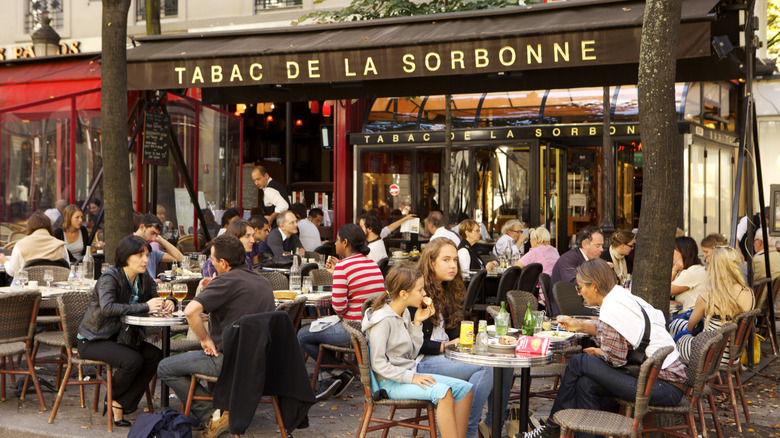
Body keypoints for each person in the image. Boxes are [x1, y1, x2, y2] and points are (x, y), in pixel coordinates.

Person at [525, 258, 687, 438]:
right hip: (661, 380)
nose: (579, 293)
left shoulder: (611, 308)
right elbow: (632, 333)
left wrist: (601, 353)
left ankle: (551, 428)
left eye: (580, 287)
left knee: (579, 362)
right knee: (585, 384)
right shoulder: (622, 295)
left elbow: (616, 360)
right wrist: (582, 327)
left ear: (594, 286)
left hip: (663, 387)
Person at [157, 233, 275, 436]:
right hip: (263, 362)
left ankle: (213, 415)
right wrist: (209, 290)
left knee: (165, 367)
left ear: (223, 263)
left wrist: (205, 339)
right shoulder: (262, 281)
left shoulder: (226, 281)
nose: (211, 262)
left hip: (229, 362)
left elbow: (190, 311)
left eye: (212, 259)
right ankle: (222, 412)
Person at [363, 263, 473, 438]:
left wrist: (417, 323)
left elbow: (411, 353)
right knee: (443, 393)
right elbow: (378, 363)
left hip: (407, 372)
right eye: (420, 290)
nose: (424, 294)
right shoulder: (383, 320)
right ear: (403, 294)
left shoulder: (404, 312)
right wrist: (412, 377)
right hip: (389, 382)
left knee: (465, 389)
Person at [414, 238, 509, 438]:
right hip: (420, 362)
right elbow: (415, 344)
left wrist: (469, 340)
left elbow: (453, 332)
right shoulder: (418, 291)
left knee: (504, 360)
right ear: (431, 262)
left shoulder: (445, 289)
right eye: (446, 260)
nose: (453, 265)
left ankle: (492, 425)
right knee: (487, 366)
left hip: (446, 355)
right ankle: (468, 431)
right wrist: (446, 346)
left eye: (455, 260)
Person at [77, 235, 174, 427]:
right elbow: (108, 308)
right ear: (125, 256)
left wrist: (169, 302)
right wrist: (146, 307)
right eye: (139, 255)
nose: (145, 260)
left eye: (147, 255)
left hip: (122, 338)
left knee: (155, 355)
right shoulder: (110, 277)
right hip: (94, 339)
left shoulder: (144, 278)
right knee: (133, 360)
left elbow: (157, 299)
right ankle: (114, 403)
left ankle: (119, 401)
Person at [298, 224, 385, 400]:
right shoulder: (372, 264)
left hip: (352, 331)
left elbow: (339, 308)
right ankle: (331, 374)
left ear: (345, 242)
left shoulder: (344, 267)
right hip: (373, 328)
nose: (335, 243)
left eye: (337, 240)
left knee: (302, 335)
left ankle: (335, 371)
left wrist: (339, 272)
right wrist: (337, 273)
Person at [669, 247, 755, 363]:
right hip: (732, 356)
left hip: (708, 356)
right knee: (677, 324)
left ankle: (675, 372)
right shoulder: (749, 293)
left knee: (673, 331)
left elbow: (690, 327)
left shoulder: (707, 296)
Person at [0, 212, 69, 277]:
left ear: (29, 227)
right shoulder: (61, 245)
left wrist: (5, 262)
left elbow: (13, 272)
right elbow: (68, 269)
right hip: (56, 288)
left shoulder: (21, 245)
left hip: (27, 287)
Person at [550, 225, 604, 306]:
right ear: (585, 244)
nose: (602, 249)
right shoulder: (567, 260)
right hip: (568, 308)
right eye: (598, 246)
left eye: (602, 245)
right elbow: (575, 285)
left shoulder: (590, 259)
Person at [133, 214, 184, 279]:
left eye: (156, 235)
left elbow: (180, 258)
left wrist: (161, 240)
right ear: (142, 227)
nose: (153, 239)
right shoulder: (129, 245)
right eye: (152, 233)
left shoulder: (151, 250)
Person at [670, 236, 707, 311]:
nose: (671, 255)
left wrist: (674, 269)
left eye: (673, 251)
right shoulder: (688, 270)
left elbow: (667, 291)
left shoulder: (692, 272)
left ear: (683, 252)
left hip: (689, 315)